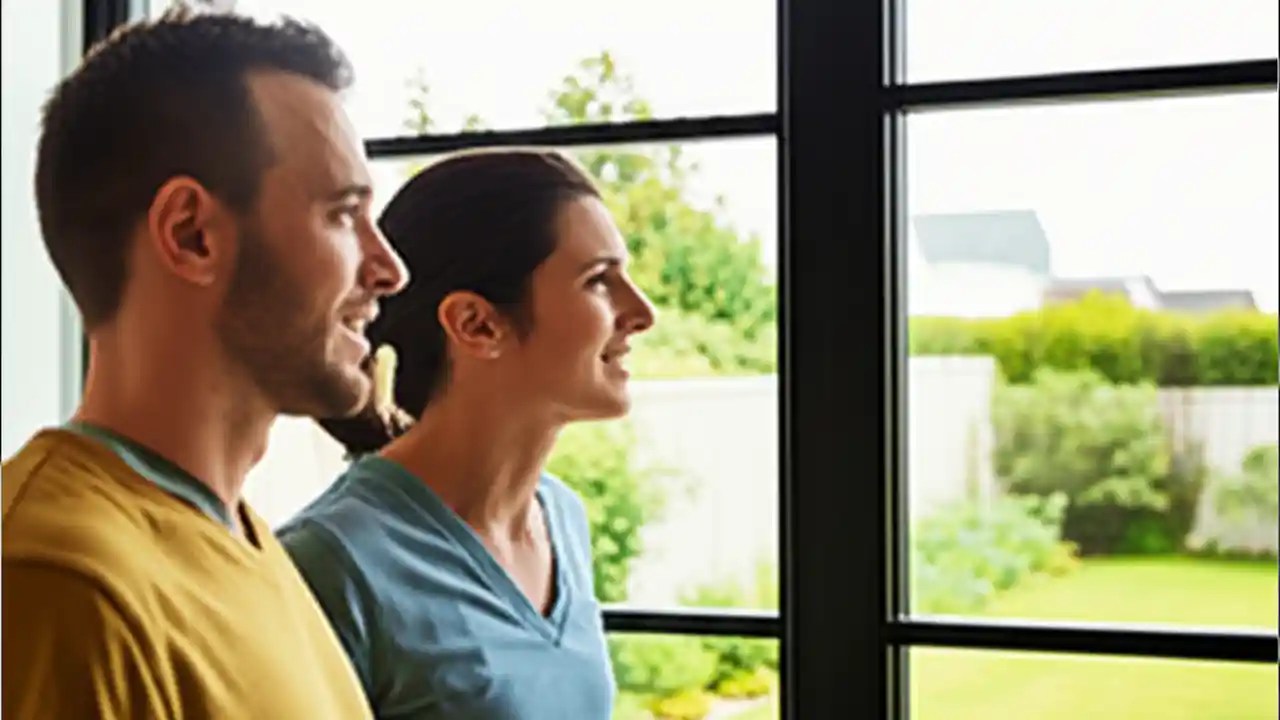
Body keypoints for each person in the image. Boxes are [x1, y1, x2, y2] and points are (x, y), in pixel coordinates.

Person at [1, 9, 408, 720]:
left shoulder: (241, 540)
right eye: (343, 215)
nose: (389, 269)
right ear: (191, 235)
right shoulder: (60, 582)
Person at [276, 148, 657, 719]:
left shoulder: (562, 518)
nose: (643, 311)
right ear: (476, 324)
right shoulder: (330, 564)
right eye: (598, 281)